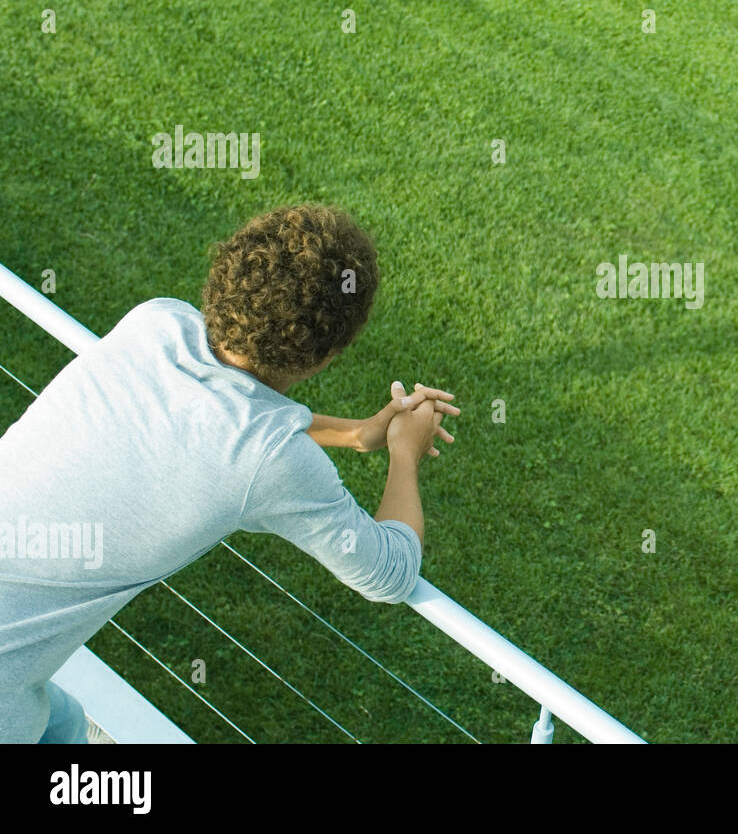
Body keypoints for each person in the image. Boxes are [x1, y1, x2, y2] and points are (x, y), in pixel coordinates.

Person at [0, 204, 458, 742]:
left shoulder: (156, 322)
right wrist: (405, 454)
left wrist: (357, 434)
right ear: (326, 356)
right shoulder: (270, 461)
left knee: (65, 723)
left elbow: (214, 417)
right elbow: (389, 572)